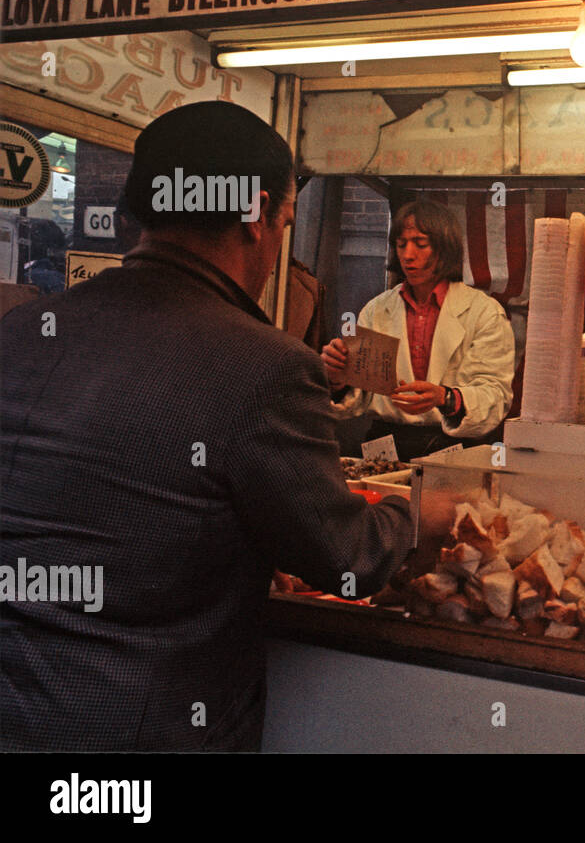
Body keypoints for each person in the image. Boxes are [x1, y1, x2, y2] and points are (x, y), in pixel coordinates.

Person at [0, 102, 446, 752]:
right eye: (284, 221)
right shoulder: (266, 366)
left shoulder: (20, 332)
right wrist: (422, 513)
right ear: (254, 214)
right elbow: (349, 559)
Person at [322, 200, 515, 461]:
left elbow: (495, 395)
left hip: (453, 447)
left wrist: (446, 398)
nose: (408, 255)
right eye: (401, 244)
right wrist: (338, 378)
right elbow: (358, 399)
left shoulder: (484, 312)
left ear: (445, 247)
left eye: (420, 244)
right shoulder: (376, 309)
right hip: (384, 447)